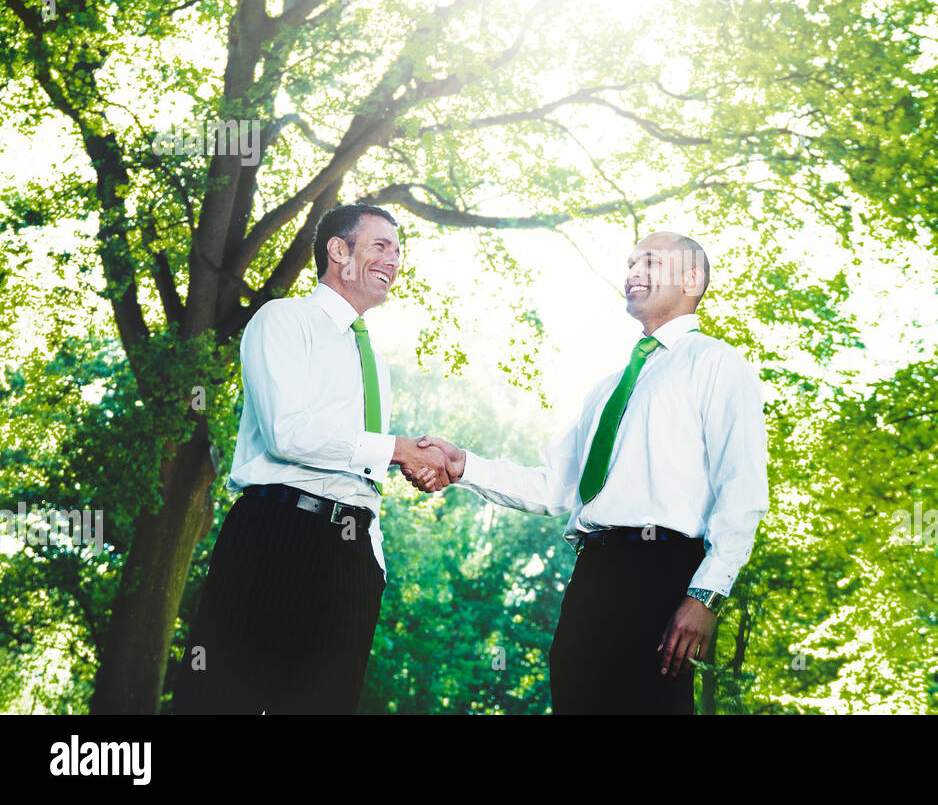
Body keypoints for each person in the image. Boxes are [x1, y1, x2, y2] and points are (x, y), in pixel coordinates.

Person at [414, 231, 768, 714]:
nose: (633, 272)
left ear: (692, 278)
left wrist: (705, 594)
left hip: (662, 573)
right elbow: (555, 487)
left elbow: (742, 489)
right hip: (591, 576)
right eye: (630, 263)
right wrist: (463, 465)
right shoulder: (608, 387)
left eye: (650, 261)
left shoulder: (717, 364)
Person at [172, 203, 453, 714]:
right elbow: (288, 431)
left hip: (352, 556)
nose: (395, 258)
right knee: (216, 700)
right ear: (338, 250)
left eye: (399, 249)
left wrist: (406, 469)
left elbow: (355, 458)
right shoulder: (284, 320)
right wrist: (395, 449)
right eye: (381, 245)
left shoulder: (378, 365)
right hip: (275, 534)